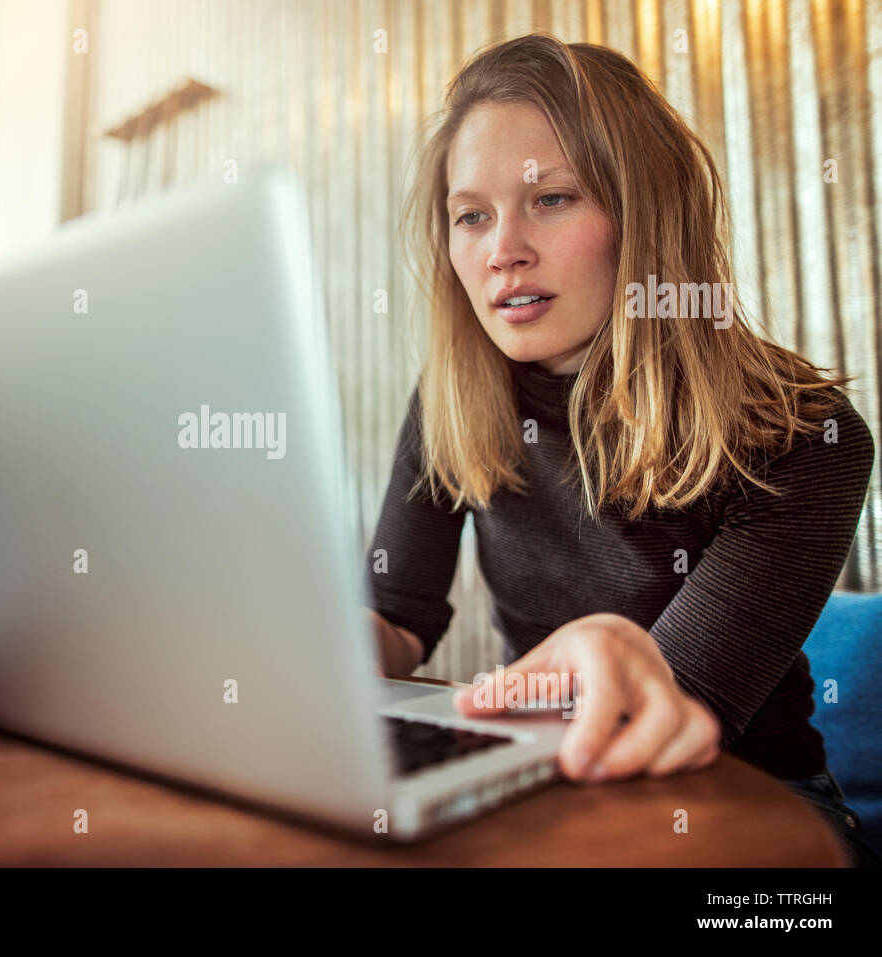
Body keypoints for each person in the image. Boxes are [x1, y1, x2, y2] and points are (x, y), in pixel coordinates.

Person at [366, 33, 879, 867]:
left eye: (552, 198)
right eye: (472, 215)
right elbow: (395, 617)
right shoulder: (454, 401)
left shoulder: (805, 436)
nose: (502, 251)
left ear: (645, 213)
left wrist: (606, 649)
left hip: (753, 813)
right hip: (544, 778)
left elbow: (667, 712)